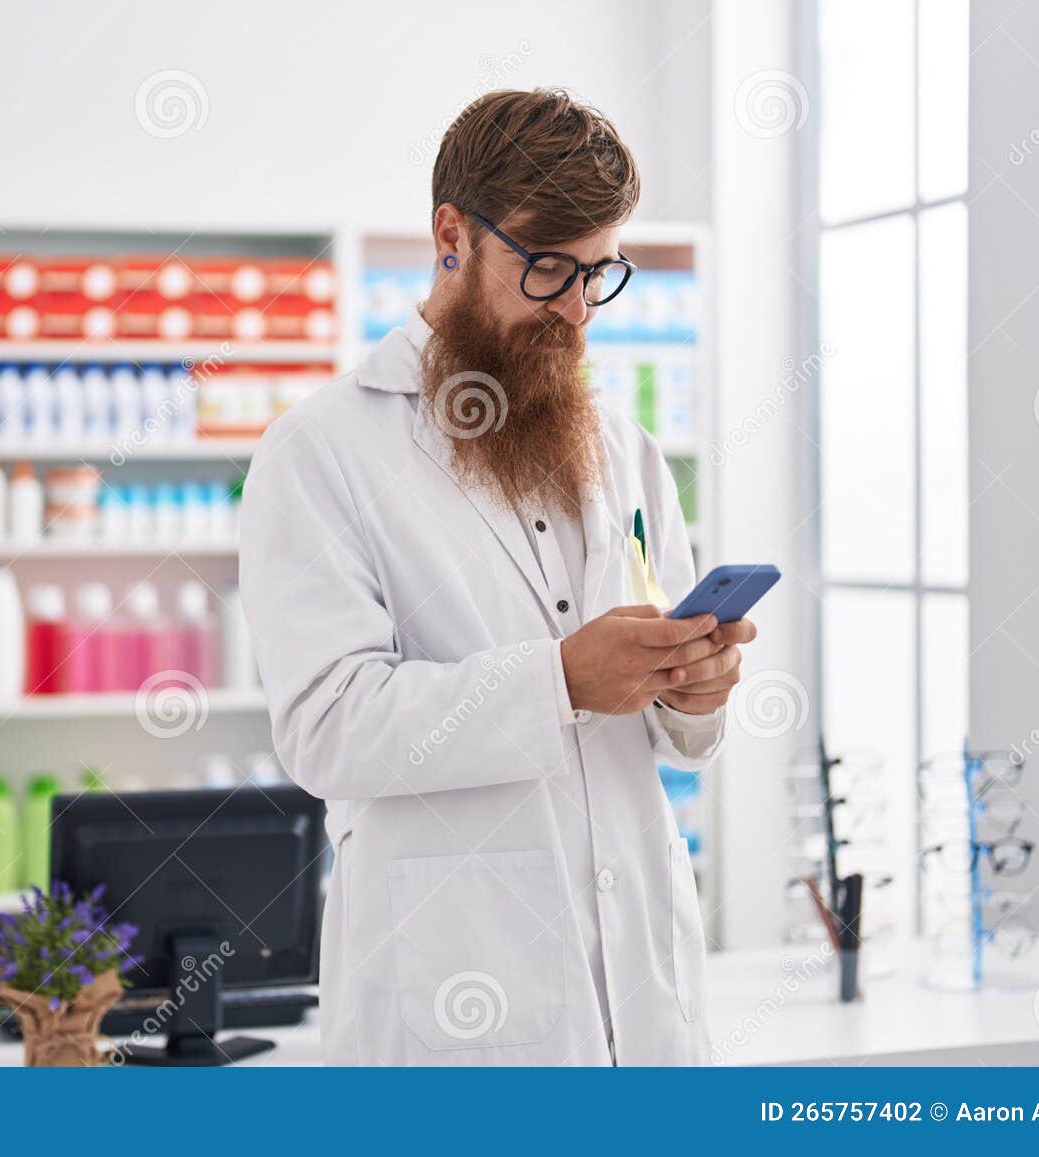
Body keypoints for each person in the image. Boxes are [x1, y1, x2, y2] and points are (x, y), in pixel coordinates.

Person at [239, 88, 759, 1065]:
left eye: (598, 273)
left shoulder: (622, 446)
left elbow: (675, 735)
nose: (573, 307)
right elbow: (327, 728)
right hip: (453, 1009)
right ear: (451, 236)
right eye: (547, 267)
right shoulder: (321, 451)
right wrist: (559, 679)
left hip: (643, 1004)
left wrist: (697, 686)